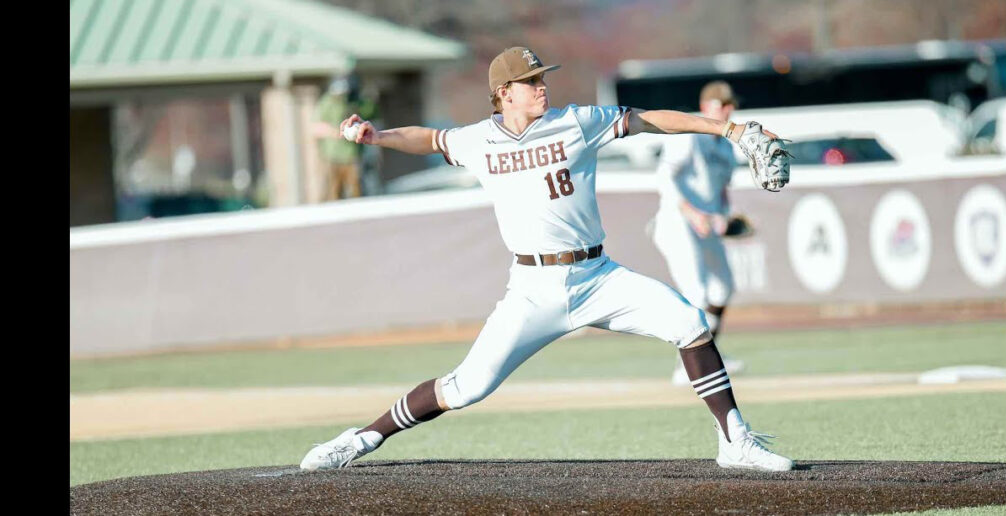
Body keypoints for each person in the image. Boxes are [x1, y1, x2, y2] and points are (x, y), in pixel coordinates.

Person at [301, 47, 794, 473]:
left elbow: (650, 119)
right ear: (504, 92)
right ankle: (362, 437)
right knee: (464, 388)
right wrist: (377, 137)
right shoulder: (479, 140)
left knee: (691, 323)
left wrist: (727, 129)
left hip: (597, 276)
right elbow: (430, 138)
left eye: (542, 78)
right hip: (533, 288)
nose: (542, 87)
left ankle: (735, 442)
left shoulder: (577, 123)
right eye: (531, 81)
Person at [652, 81, 746, 386]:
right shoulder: (690, 136)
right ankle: (689, 367)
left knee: (723, 288)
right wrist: (691, 211)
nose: (728, 110)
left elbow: (720, 190)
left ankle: (709, 355)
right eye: (722, 104)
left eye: (731, 104)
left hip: (705, 223)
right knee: (698, 293)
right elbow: (664, 176)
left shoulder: (726, 147)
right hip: (677, 221)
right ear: (706, 108)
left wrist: (724, 217)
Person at [311, 77, 376, 200]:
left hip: (352, 156)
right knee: (333, 193)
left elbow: (371, 115)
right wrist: (334, 132)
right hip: (332, 156)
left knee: (357, 191)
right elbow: (315, 128)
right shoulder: (326, 103)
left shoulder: (355, 102)